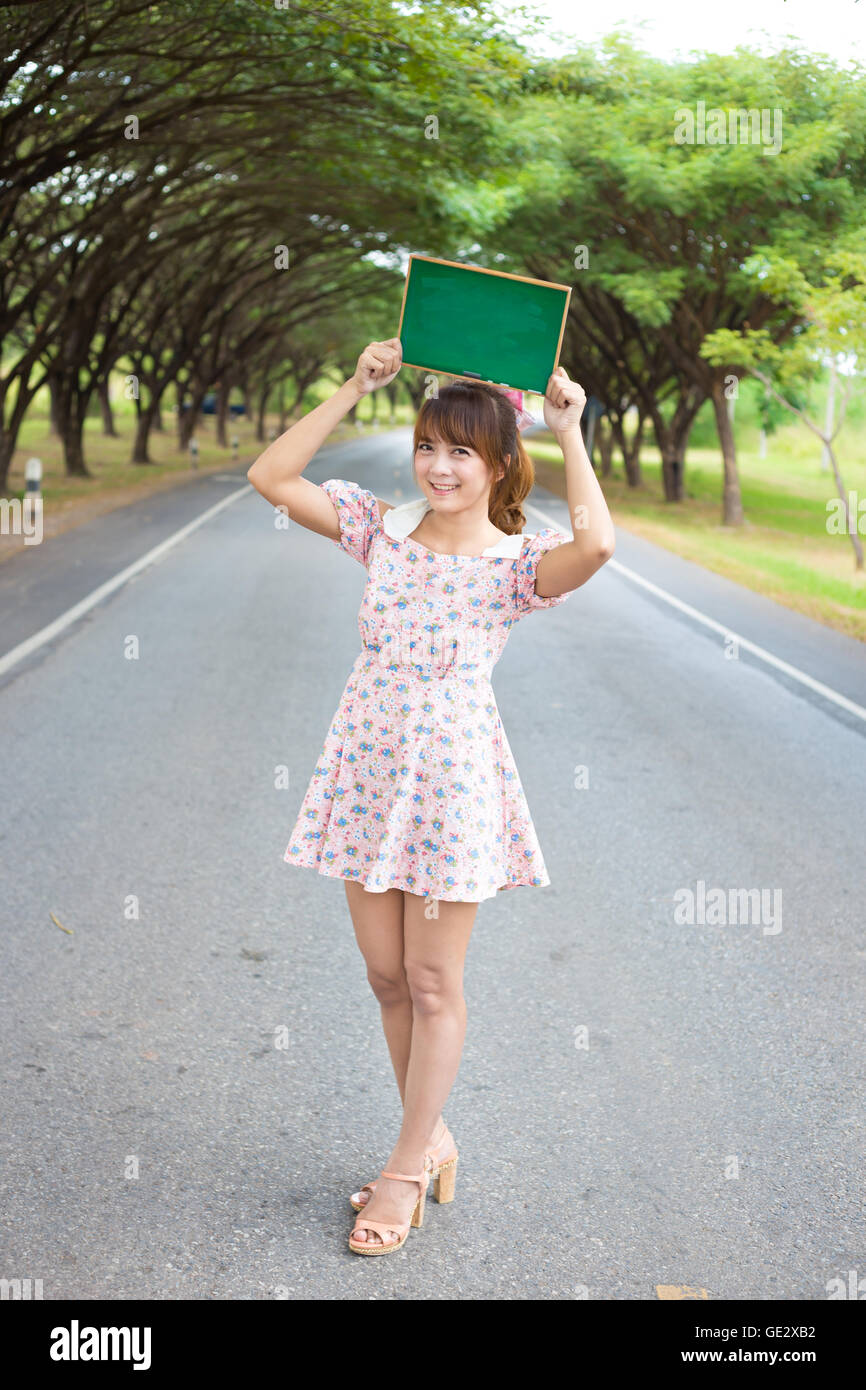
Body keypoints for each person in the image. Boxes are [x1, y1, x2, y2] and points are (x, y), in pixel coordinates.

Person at [246, 338, 616, 1256]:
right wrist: (354, 382)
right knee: (384, 977)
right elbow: (271, 473)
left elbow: (600, 543)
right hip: (365, 769)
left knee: (431, 981)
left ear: (497, 465)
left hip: (451, 784)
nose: (439, 466)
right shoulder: (381, 532)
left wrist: (571, 431)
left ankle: (407, 1169)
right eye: (427, 446)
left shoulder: (517, 564)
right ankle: (432, 1136)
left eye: (461, 451)